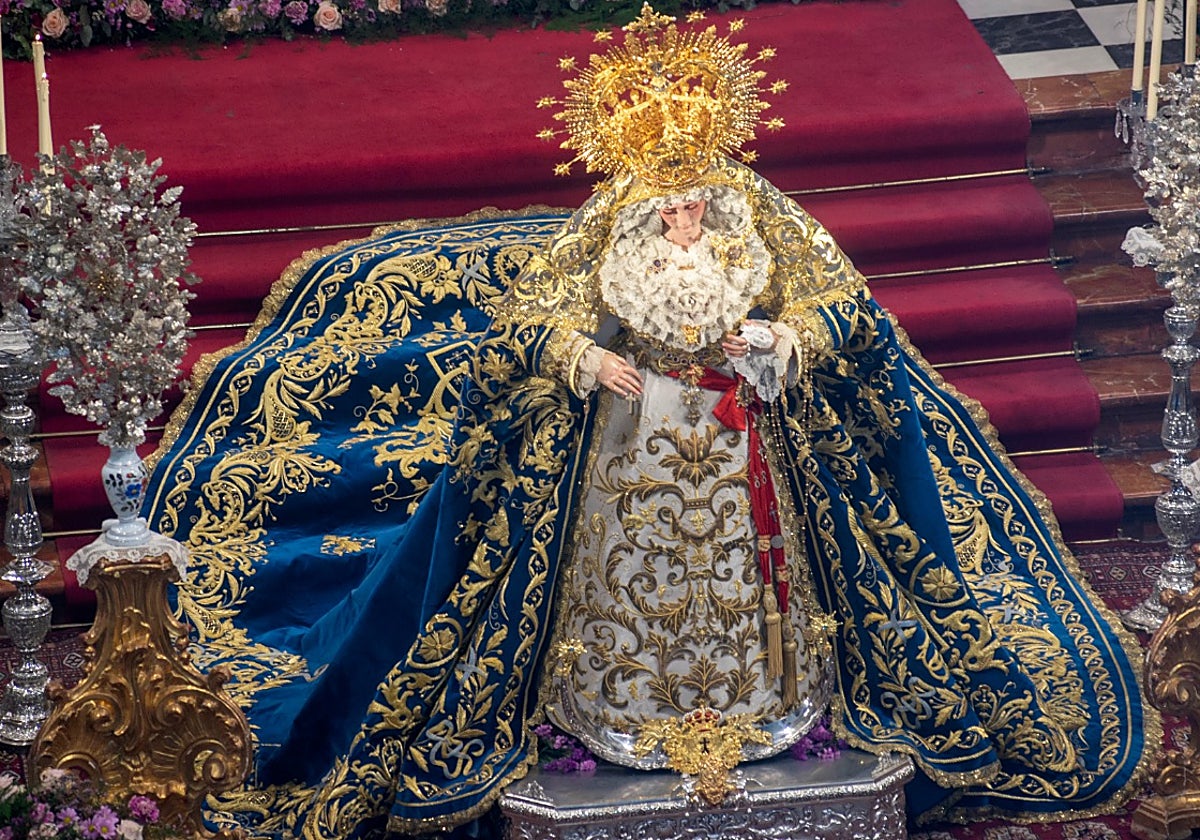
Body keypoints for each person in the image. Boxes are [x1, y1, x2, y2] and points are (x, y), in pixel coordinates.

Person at [144, 6, 1154, 838]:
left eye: (693, 200)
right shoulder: (609, 221)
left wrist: (785, 342)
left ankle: (767, 704)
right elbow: (525, 325)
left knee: (752, 569)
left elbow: (847, 307)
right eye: (668, 201)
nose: (682, 212)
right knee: (631, 572)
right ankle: (619, 709)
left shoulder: (756, 208)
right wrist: (578, 353)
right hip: (628, 439)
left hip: (744, 433)